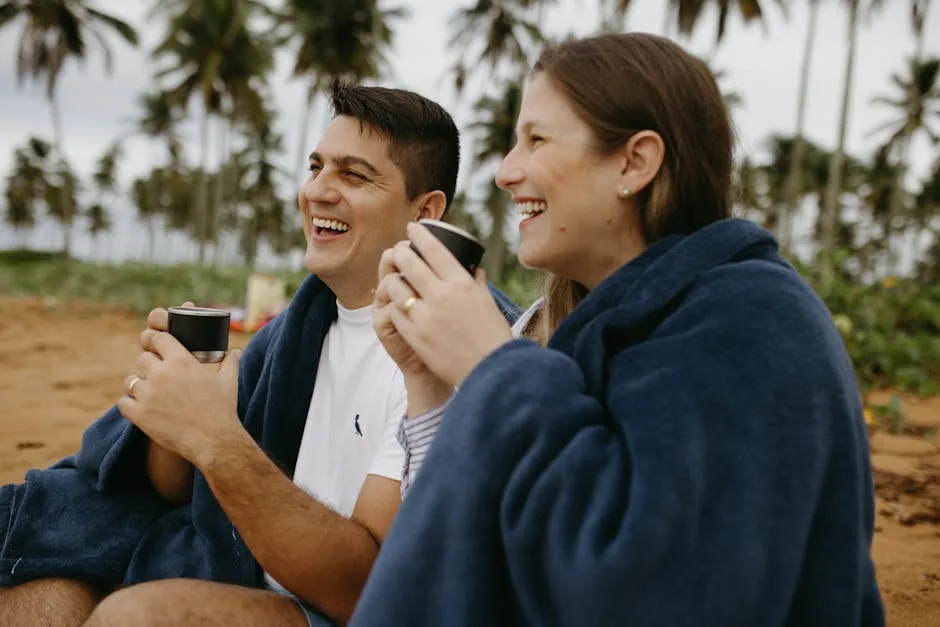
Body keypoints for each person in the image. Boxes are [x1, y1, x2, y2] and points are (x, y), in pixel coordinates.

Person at [355, 33, 885, 627]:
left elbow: (649, 591)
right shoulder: (599, 323)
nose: (506, 171)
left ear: (635, 162)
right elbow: (486, 540)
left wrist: (492, 368)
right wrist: (431, 386)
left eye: (536, 139)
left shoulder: (749, 321)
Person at [0, 81, 519, 627]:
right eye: (315, 167)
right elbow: (173, 488)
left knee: (141, 618)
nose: (318, 190)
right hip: (247, 573)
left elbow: (365, 587)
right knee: (39, 595)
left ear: (427, 209)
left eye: (353, 174)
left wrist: (215, 437)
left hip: (340, 611)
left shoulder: (451, 345)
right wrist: (174, 406)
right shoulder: (298, 330)